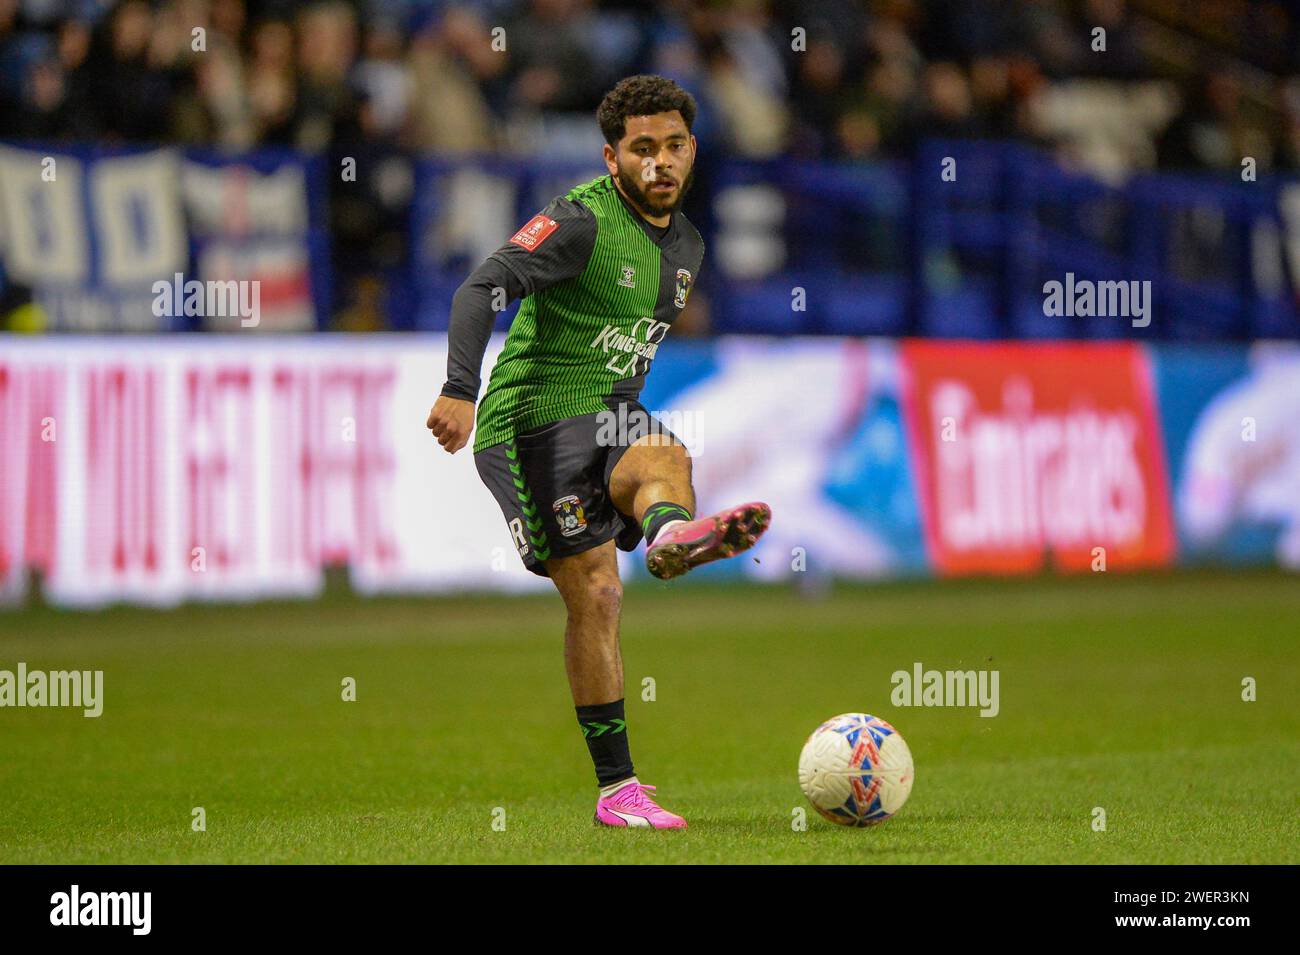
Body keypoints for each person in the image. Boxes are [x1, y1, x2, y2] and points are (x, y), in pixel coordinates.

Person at [426, 74, 770, 829]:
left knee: (664, 451)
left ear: (692, 150)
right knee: (597, 592)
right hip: (529, 419)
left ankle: (674, 534)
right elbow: (482, 286)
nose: (661, 163)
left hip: (608, 413)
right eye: (642, 149)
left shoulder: (688, 246)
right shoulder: (581, 219)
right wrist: (461, 386)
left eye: (674, 145)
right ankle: (617, 787)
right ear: (612, 157)